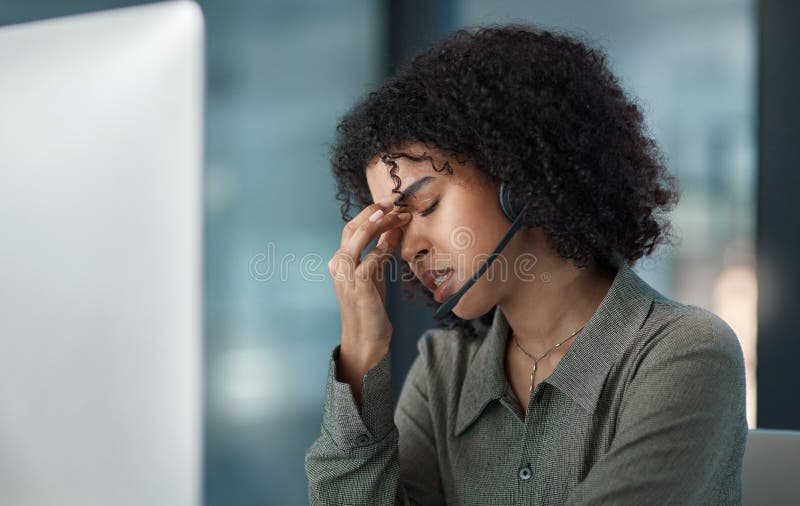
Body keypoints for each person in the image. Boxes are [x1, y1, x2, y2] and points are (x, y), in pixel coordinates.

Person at [305, 24, 747, 505]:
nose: (408, 249)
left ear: (519, 177)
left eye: (426, 206)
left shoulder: (686, 354)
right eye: (392, 226)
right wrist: (360, 352)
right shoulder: (444, 370)